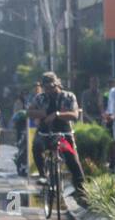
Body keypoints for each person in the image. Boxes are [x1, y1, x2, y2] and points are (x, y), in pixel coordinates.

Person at [27, 71, 87, 200]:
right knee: (36, 147)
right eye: (46, 87)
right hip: (45, 132)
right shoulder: (40, 98)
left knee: (73, 160)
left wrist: (57, 114)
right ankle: (43, 175)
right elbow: (29, 112)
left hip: (63, 133)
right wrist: (41, 114)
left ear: (57, 84)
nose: (48, 90)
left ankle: (82, 193)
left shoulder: (68, 96)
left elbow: (75, 115)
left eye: (51, 87)